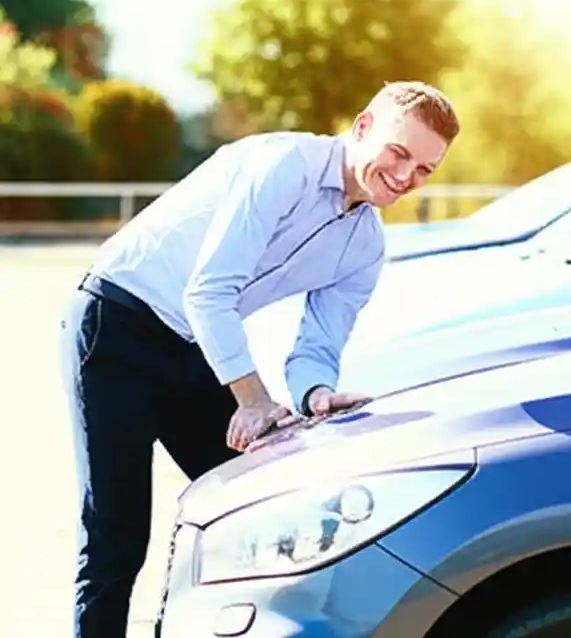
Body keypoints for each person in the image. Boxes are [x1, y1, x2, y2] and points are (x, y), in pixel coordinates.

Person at [57, 81, 459, 637]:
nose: (406, 175)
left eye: (424, 169)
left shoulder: (365, 244)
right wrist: (252, 399)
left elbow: (317, 344)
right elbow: (209, 290)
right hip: (117, 325)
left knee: (258, 510)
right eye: (400, 152)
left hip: (195, 345)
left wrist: (316, 393)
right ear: (364, 126)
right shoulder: (283, 165)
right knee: (116, 535)